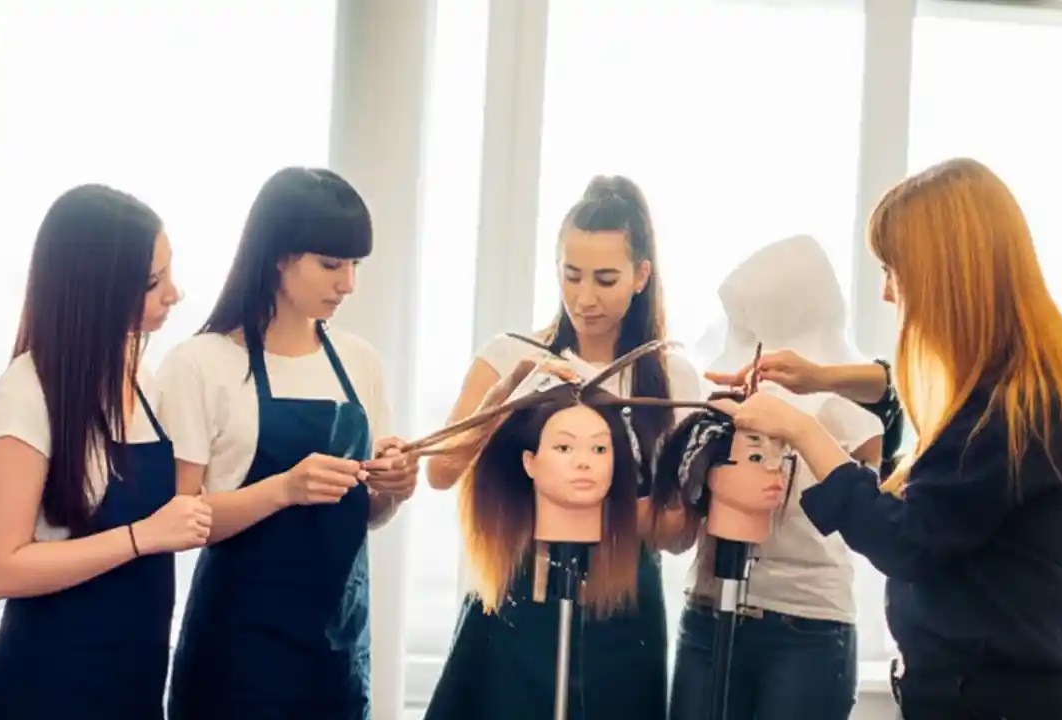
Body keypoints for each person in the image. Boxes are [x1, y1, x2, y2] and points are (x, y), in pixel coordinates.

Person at [712, 158, 1062, 719]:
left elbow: (908, 540)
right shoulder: (1027, 369)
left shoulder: (1020, 394)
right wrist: (823, 377)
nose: (889, 294)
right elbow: (945, 454)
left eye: (894, 270)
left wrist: (801, 427)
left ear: (946, 270)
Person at [423, 176, 703, 719]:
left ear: (641, 276)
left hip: (623, 613)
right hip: (514, 604)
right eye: (571, 275)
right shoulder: (509, 355)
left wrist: (602, 507)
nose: (584, 298)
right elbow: (439, 473)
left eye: (605, 279)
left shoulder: (673, 378)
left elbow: (678, 534)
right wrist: (506, 397)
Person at [159, 167, 419, 718]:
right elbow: (180, 520)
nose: (347, 283)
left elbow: (367, 513)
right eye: (331, 264)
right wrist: (283, 489)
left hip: (337, 654)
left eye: (354, 266)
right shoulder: (201, 363)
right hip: (237, 654)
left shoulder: (359, 361)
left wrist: (393, 488)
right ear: (279, 255)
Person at [0, 185, 210, 720]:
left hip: (132, 684)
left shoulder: (141, 379)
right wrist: (141, 537)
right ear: (99, 288)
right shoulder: (27, 393)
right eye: (154, 281)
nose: (175, 294)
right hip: (49, 690)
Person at [668, 235, 885, 720]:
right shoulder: (717, 390)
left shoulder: (844, 400)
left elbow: (874, 492)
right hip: (709, 608)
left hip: (806, 624)